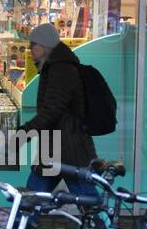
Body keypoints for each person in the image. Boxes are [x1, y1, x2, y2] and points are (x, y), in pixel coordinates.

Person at [18, 23, 97, 195]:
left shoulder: (61, 69)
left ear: (44, 46)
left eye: (33, 46)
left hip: (69, 150)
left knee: (89, 203)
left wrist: (21, 136)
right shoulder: (54, 67)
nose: (30, 51)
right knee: (31, 200)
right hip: (56, 147)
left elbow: (50, 111)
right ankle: (22, 222)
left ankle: (106, 223)